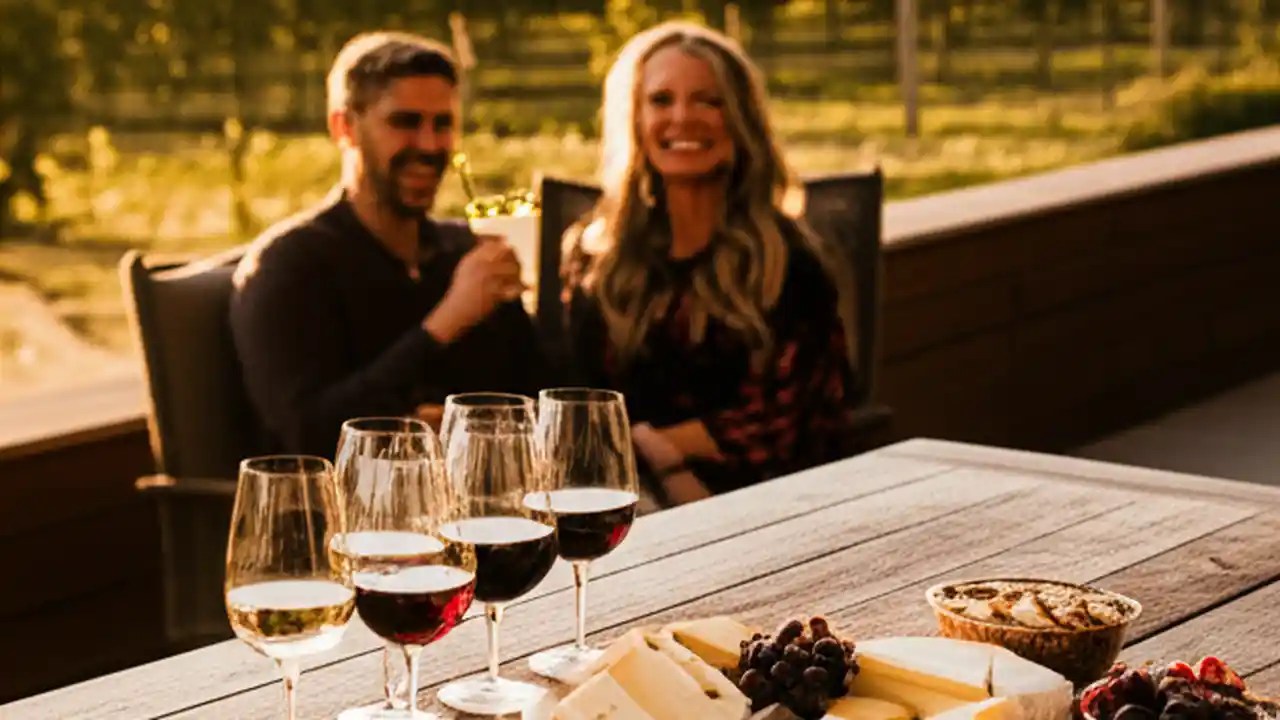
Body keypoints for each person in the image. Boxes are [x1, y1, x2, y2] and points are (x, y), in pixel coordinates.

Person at [562, 21, 859, 506]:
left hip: (769, 506)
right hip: (622, 501)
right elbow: (578, 406)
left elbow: (790, 425)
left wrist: (665, 449)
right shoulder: (597, 256)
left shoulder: (789, 262)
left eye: (709, 100)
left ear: (740, 121)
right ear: (634, 120)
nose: (683, 117)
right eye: (661, 100)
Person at [230, 31, 551, 458]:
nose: (430, 145)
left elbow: (539, 403)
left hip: (490, 514)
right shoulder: (288, 266)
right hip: (347, 522)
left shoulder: (465, 251)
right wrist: (445, 322)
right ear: (343, 127)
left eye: (443, 124)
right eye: (405, 122)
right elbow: (308, 434)